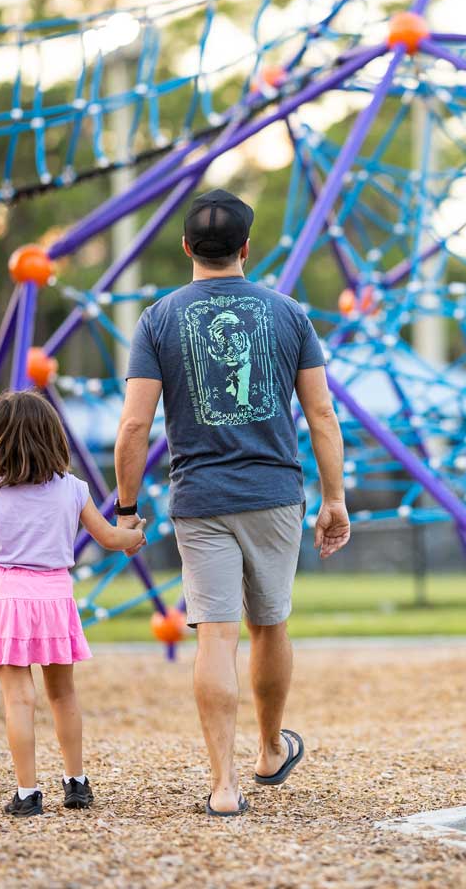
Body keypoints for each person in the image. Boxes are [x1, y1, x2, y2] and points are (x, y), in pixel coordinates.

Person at [114, 188, 351, 818]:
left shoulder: (157, 319)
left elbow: (134, 425)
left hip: (199, 497)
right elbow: (322, 414)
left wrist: (127, 509)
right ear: (246, 248)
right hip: (274, 494)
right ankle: (270, 751)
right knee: (269, 623)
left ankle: (223, 786)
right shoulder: (289, 314)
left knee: (216, 637)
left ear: (186, 247)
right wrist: (334, 498)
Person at [0, 390, 147, 817]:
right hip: (54, 598)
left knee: (18, 699)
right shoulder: (72, 490)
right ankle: (76, 783)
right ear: (53, 437)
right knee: (63, 694)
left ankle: (27, 793)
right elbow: (109, 537)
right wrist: (133, 535)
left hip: (4, 599)